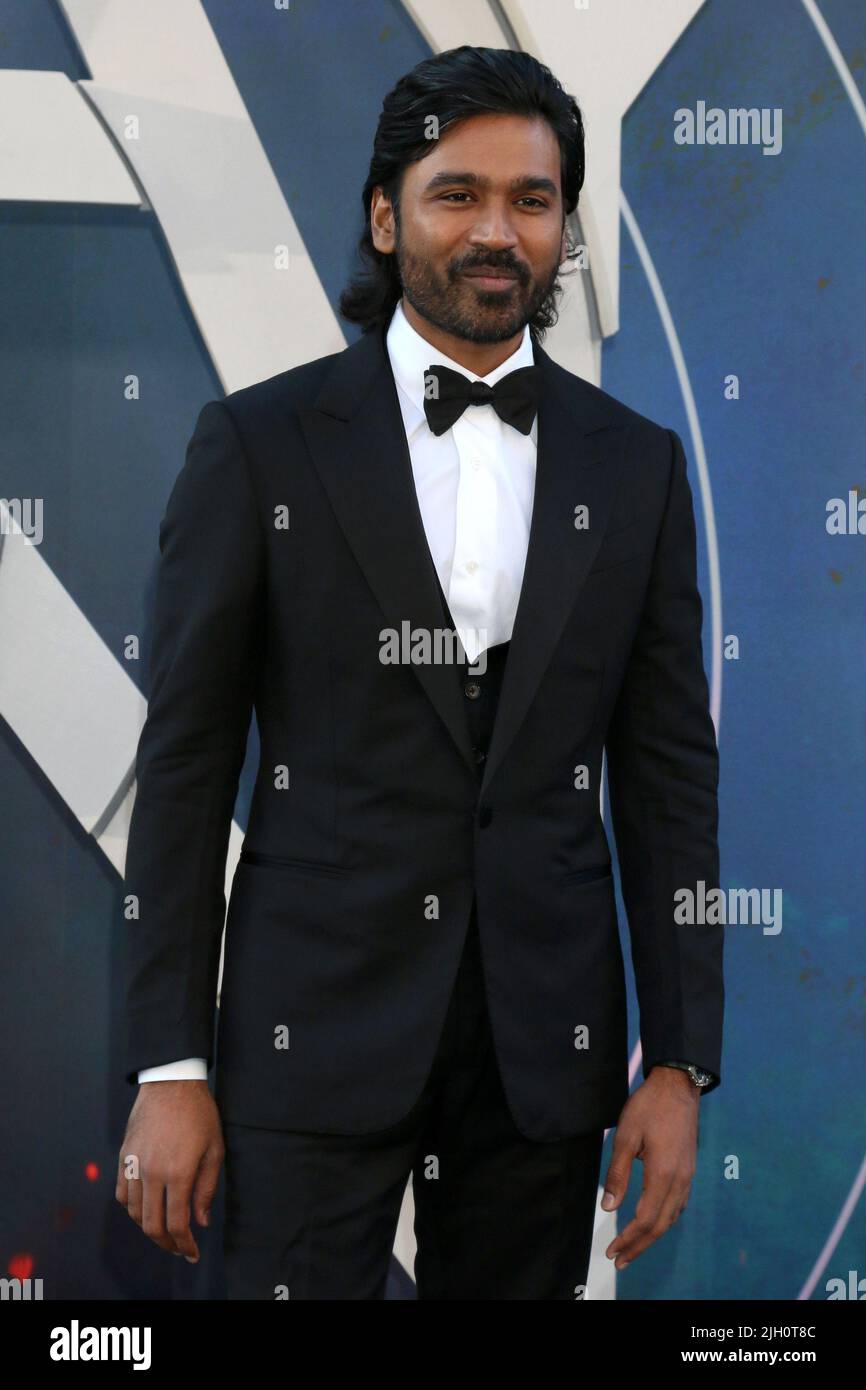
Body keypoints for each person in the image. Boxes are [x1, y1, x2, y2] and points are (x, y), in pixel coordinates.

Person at [117, 45, 723, 1300]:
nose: (497, 231)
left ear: (563, 227)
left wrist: (678, 1061)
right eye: (458, 194)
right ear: (386, 217)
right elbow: (181, 766)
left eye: (532, 199)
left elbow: (666, 777)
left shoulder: (637, 466)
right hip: (309, 1036)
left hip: (539, 1056)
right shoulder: (260, 444)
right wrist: (168, 1068)